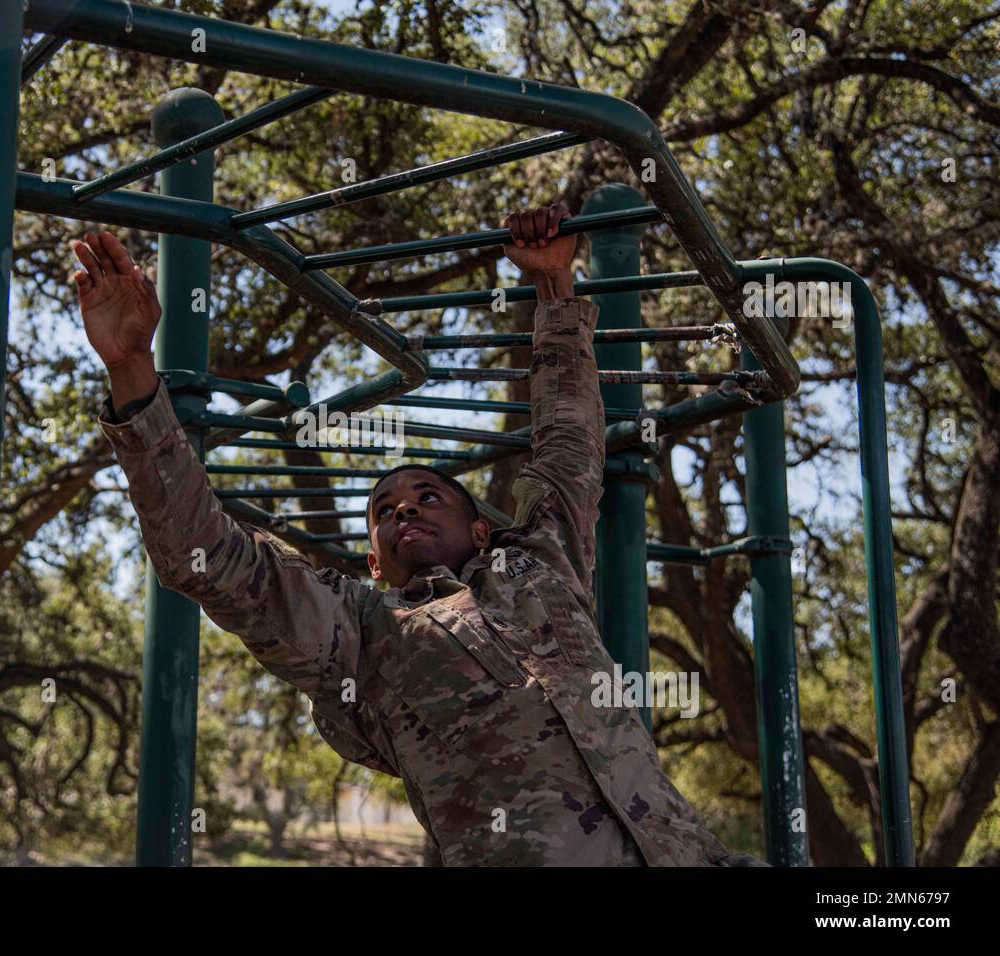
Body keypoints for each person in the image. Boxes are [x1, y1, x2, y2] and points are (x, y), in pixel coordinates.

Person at [72, 204, 766, 866]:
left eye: (427, 495)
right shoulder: (361, 633)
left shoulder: (540, 564)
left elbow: (566, 444)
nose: (404, 509)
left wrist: (554, 285)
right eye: (384, 509)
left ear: (481, 529)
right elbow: (211, 559)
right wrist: (131, 369)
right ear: (372, 559)